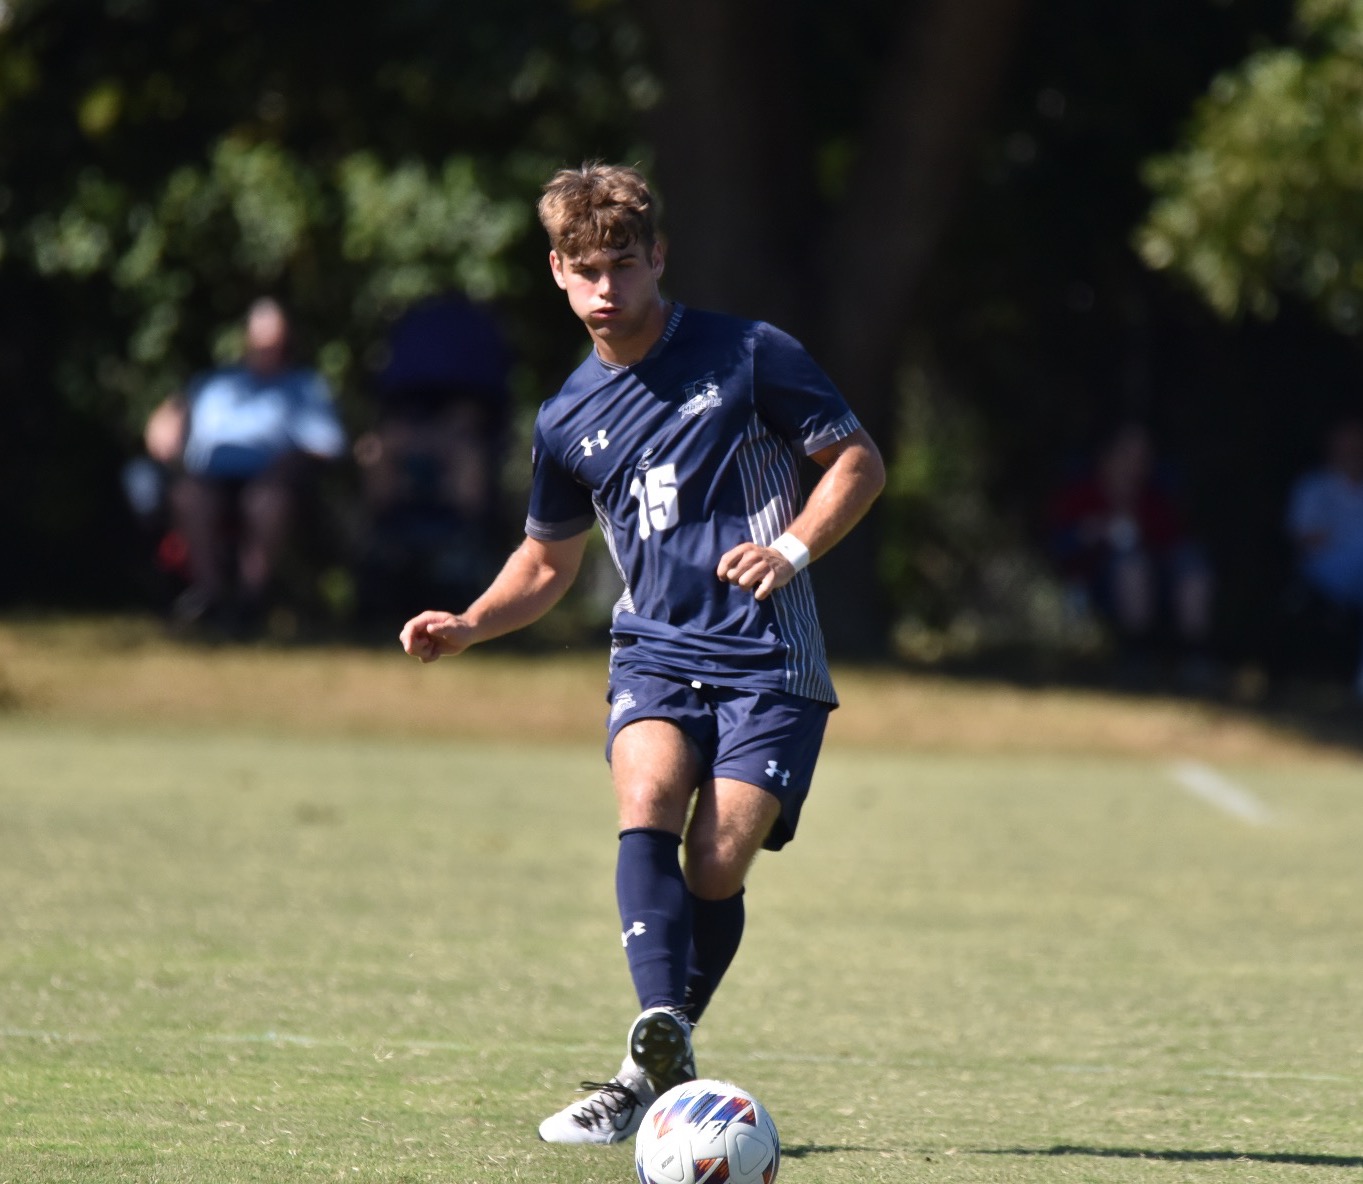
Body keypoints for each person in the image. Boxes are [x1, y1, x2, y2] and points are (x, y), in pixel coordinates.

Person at [399, 163, 885, 1144]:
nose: (608, 287)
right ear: (557, 274)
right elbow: (545, 561)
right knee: (646, 797)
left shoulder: (750, 354)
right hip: (654, 650)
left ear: (658, 256)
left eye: (625, 263)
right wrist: (469, 621)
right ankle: (655, 1039)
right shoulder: (567, 417)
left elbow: (858, 461)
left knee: (715, 858)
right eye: (586, 269)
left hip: (767, 655)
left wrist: (790, 549)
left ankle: (641, 1070)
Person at [143, 298, 348, 631]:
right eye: (260, 344)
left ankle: (251, 600)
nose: (267, 352)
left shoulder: (303, 387)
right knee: (188, 496)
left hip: (270, 479)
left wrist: (289, 463)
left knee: (266, 501)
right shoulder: (215, 384)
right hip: (210, 477)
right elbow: (171, 418)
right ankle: (209, 597)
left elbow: (328, 445)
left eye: (275, 345)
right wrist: (164, 426)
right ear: (246, 341)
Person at [1046, 421, 1214, 681]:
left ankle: (1194, 657)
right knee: (1131, 566)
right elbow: (1060, 545)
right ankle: (1136, 655)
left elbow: (1174, 542)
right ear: (1108, 455)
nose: (1137, 463)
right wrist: (1089, 533)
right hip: (1095, 582)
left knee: (1192, 568)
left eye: (1144, 456)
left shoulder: (1153, 499)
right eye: (1129, 454)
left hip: (1156, 581)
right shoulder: (1081, 493)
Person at [1286, 415, 1363, 694]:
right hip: (1324, 571)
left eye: (1357, 442)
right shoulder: (1314, 487)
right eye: (1346, 441)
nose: (1352, 448)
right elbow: (1306, 537)